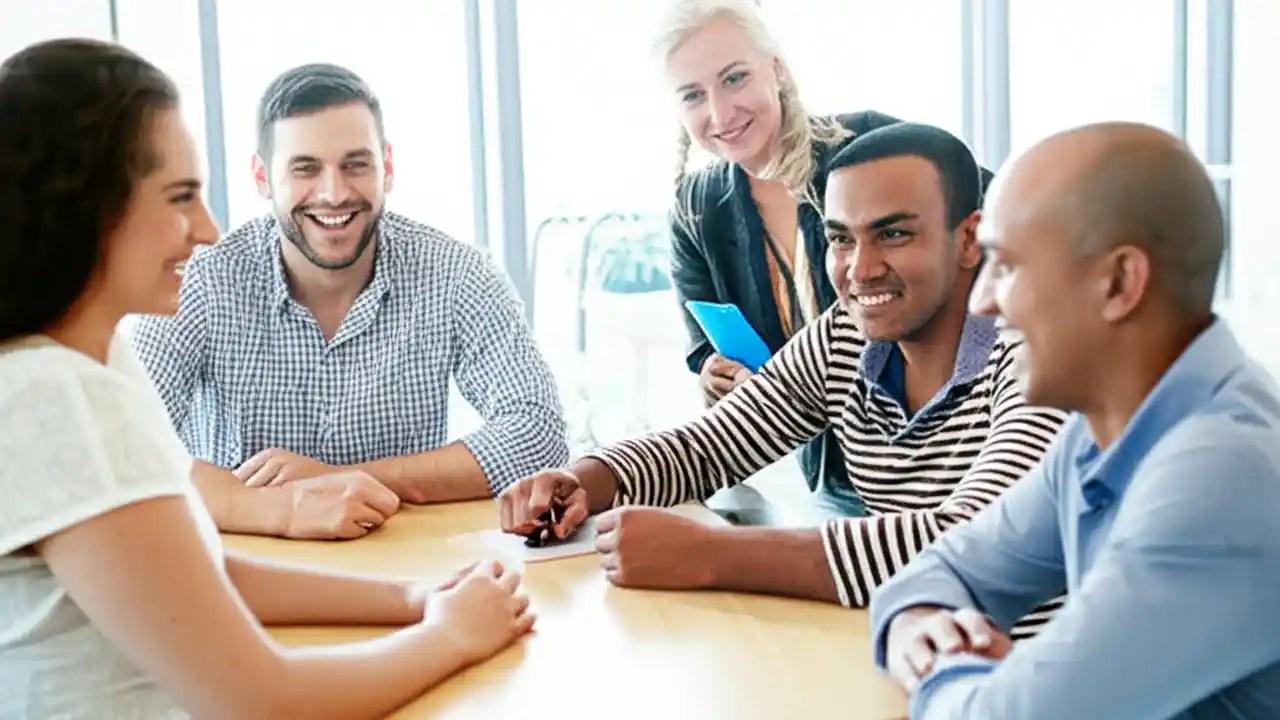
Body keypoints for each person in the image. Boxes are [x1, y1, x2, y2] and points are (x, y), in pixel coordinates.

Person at [0, 39, 535, 718]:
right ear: (92, 209)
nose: (208, 228)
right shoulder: (58, 398)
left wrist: (412, 598)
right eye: (181, 197)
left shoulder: (91, 366)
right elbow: (265, 702)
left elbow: (193, 568)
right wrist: (450, 636)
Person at [499, 123, 1066, 637]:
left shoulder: (1039, 352)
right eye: (841, 239)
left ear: (970, 239)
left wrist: (712, 554)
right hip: (917, 653)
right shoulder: (849, 333)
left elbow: (974, 541)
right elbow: (711, 445)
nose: (859, 269)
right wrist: (587, 479)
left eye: (893, 235)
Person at [869, 122, 1280, 719]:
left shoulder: (1221, 475)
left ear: (1118, 282)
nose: (981, 301)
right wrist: (920, 629)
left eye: (1006, 266)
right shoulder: (1103, 428)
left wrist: (945, 665)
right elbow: (939, 571)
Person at [131, 62, 569, 540]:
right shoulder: (202, 279)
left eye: (355, 165)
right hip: (247, 568)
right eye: (305, 168)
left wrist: (345, 480)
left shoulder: (458, 274)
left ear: (388, 168)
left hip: (403, 561)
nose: (333, 193)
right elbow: (125, 449)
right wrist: (274, 506)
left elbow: (538, 434)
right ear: (262, 177)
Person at [657, 0, 904, 512]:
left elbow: (995, 240)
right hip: (834, 476)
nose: (720, 114)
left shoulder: (876, 148)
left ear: (778, 69)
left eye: (734, 78)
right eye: (693, 95)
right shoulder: (696, 211)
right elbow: (705, 350)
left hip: (932, 453)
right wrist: (716, 376)